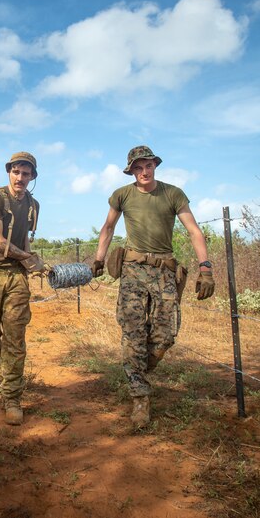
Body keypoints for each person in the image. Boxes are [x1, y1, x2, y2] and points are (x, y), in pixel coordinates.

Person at [91, 145, 215, 429]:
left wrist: (205, 268)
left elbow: (194, 230)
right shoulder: (122, 195)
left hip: (165, 271)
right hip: (133, 270)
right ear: (131, 171)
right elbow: (108, 228)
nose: (143, 172)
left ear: (155, 166)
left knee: (165, 335)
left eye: (147, 166)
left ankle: (136, 370)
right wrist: (99, 259)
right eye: (137, 168)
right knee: (133, 332)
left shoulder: (173, 194)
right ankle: (140, 397)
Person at [0, 152, 45, 425]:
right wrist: (27, 257)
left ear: (32, 177)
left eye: (26, 174)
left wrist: (32, 265)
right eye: (16, 172)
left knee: (15, 336)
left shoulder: (33, 204)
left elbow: (24, 238)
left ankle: (12, 397)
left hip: (15, 275)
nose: (20, 178)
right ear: (9, 172)